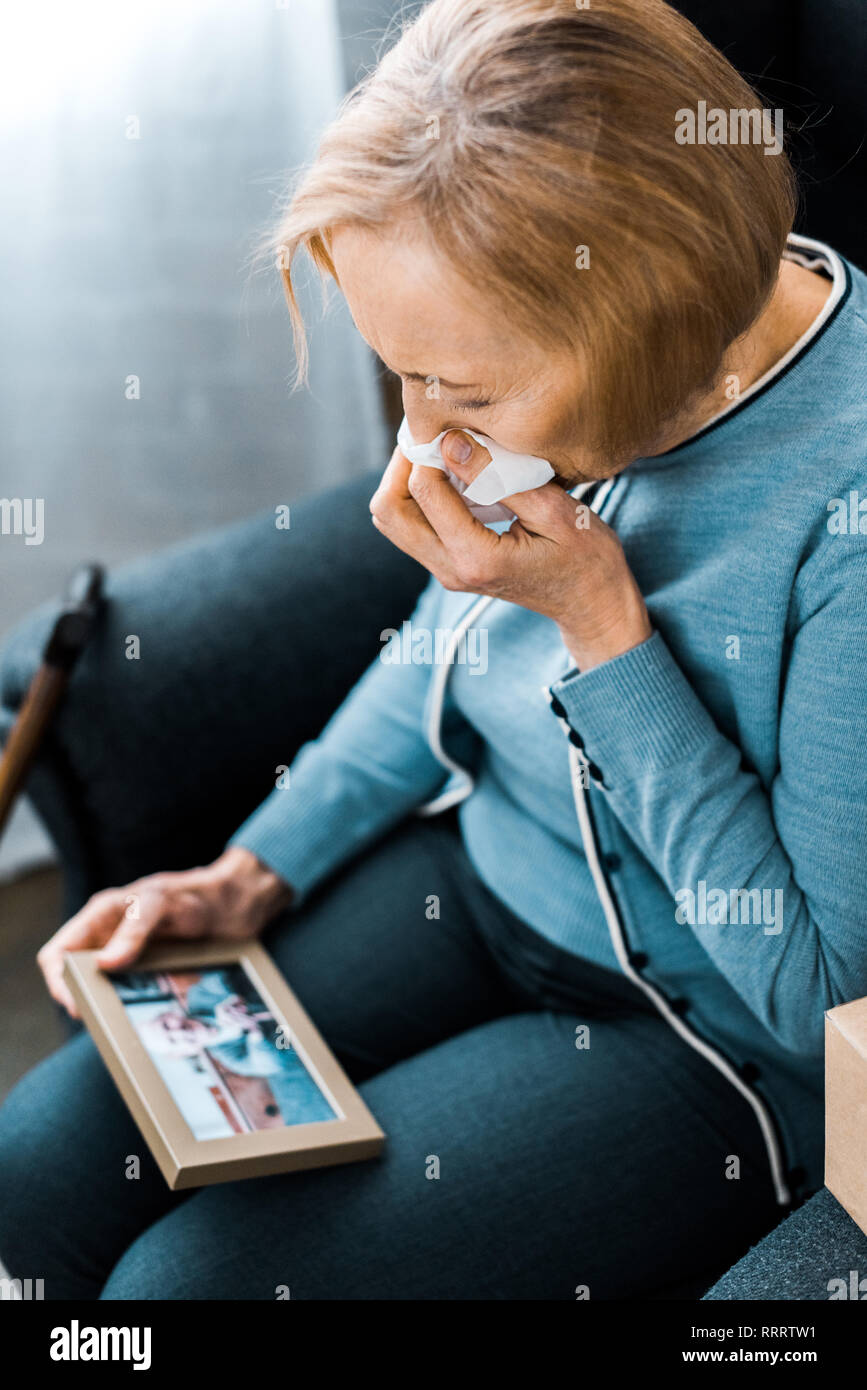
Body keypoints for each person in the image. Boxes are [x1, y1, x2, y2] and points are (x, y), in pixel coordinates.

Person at [1, 0, 866, 1300]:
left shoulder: (843, 519)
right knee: (36, 1166)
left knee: (185, 1293)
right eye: (400, 375)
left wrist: (601, 624)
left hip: (699, 1035)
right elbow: (443, 640)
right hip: (475, 871)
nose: (420, 444)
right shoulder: (558, 358)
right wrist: (252, 869)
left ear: (649, 325)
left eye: (457, 393)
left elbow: (826, 1001)